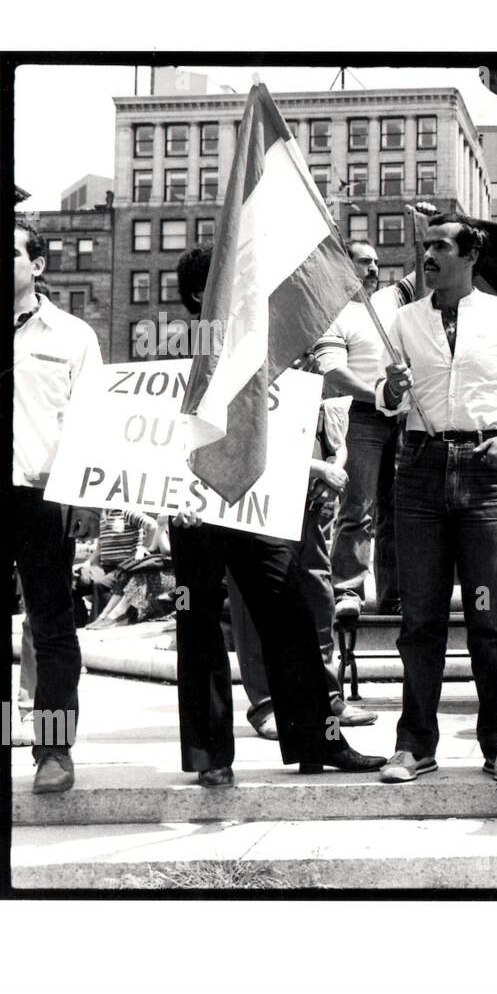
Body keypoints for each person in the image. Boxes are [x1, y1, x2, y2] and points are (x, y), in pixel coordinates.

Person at [169, 248, 386, 787]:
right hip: (195, 510)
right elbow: (155, 432)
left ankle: (318, 741)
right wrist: (177, 492)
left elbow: (280, 426)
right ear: (203, 295)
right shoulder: (178, 350)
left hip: (255, 504)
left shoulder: (263, 350)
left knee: (290, 616)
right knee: (198, 628)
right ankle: (209, 756)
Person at [376, 212, 497, 784]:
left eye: (441, 246)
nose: (428, 255)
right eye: (424, 245)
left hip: (487, 475)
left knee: (489, 617)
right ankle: (414, 744)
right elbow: (386, 400)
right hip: (420, 471)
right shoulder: (402, 322)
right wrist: (390, 391)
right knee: (420, 619)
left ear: (470, 256)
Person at [228, 351, 377, 738]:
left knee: (318, 595)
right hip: (253, 510)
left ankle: (326, 696)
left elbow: (332, 439)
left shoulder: (311, 384)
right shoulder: (243, 377)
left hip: (306, 508)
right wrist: (320, 469)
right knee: (256, 603)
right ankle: (266, 704)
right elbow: (250, 446)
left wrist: (332, 470)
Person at [11, 219, 102, 793]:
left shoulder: (73, 336)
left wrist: (86, 497)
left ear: (38, 265)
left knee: (51, 628)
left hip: (41, 499)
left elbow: (92, 425)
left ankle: (53, 751)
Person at [315, 214, 427, 623]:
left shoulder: (391, 302)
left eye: (377, 262)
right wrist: (378, 394)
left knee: (398, 509)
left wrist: (422, 228)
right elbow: (332, 373)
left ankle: (394, 594)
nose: (375, 268)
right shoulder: (331, 314)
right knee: (358, 508)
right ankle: (348, 590)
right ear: (345, 267)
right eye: (364, 262)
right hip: (362, 418)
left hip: (402, 419)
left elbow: (424, 270)